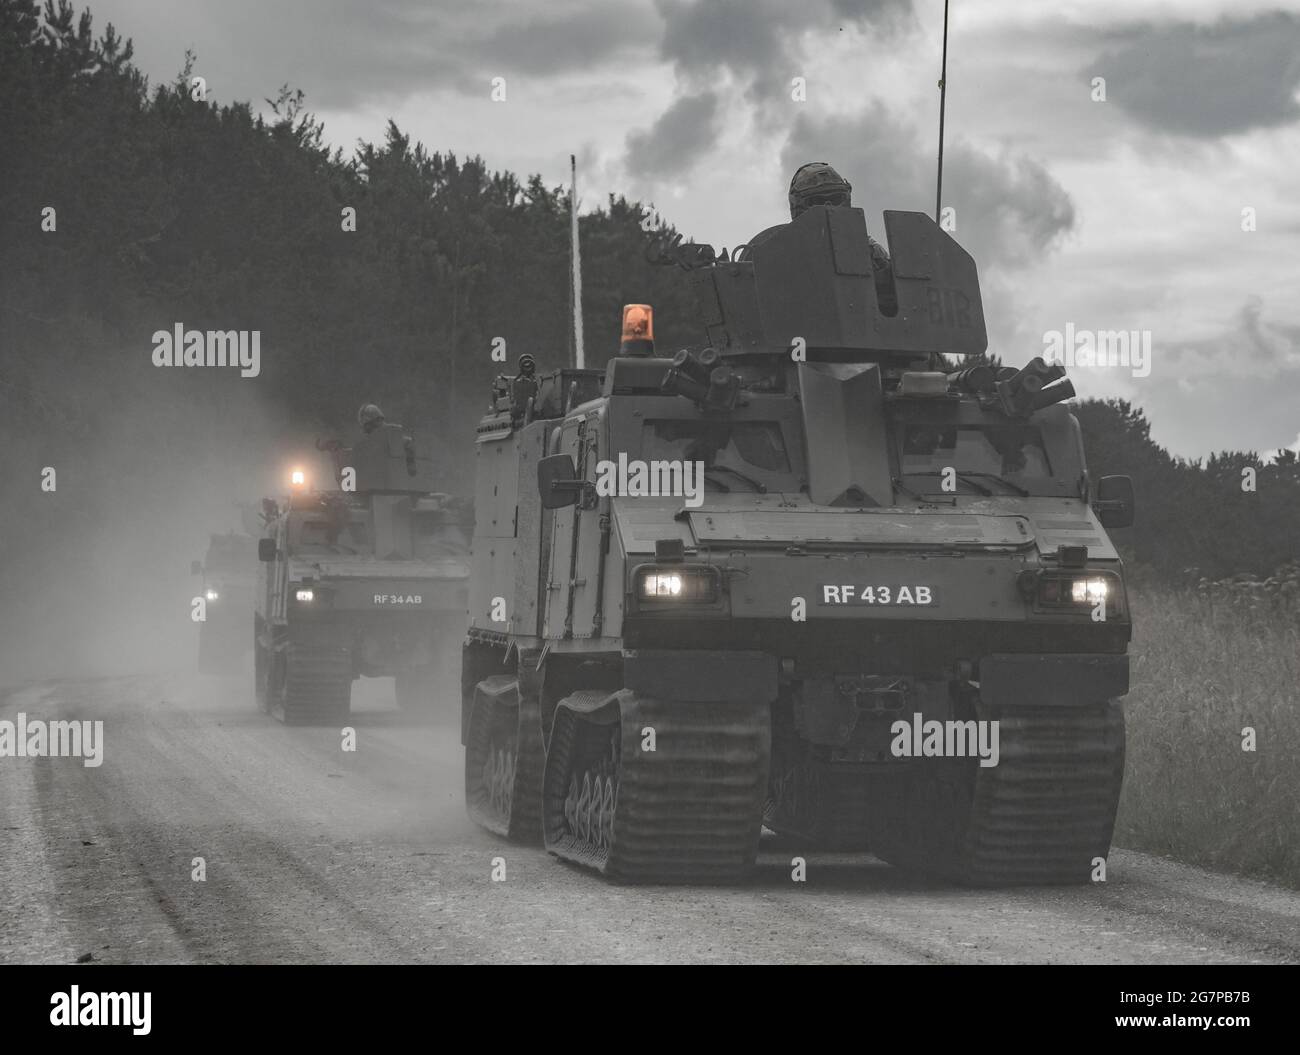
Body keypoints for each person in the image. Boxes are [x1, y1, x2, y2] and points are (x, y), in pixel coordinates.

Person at [743, 162, 898, 315]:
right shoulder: (771, 252)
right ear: (797, 205)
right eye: (816, 202)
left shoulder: (869, 253)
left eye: (836, 199)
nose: (829, 207)